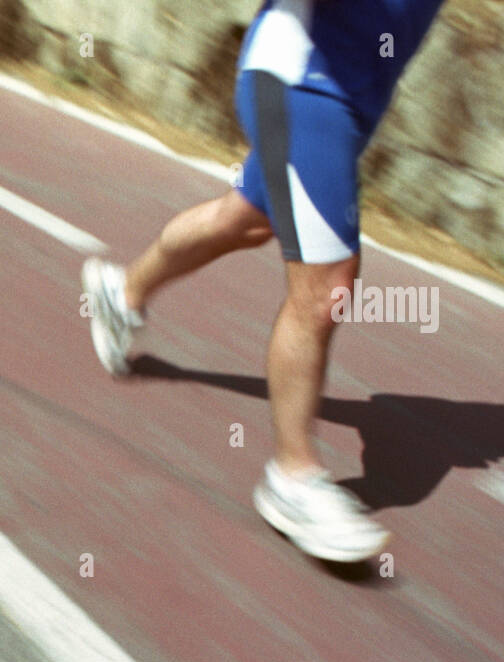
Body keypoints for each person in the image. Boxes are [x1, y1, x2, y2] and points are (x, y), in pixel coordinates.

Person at [82, 0, 447, 563]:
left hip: (352, 96)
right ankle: (293, 478)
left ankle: (121, 292)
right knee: (327, 286)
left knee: (246, 221)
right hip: (301, 79)